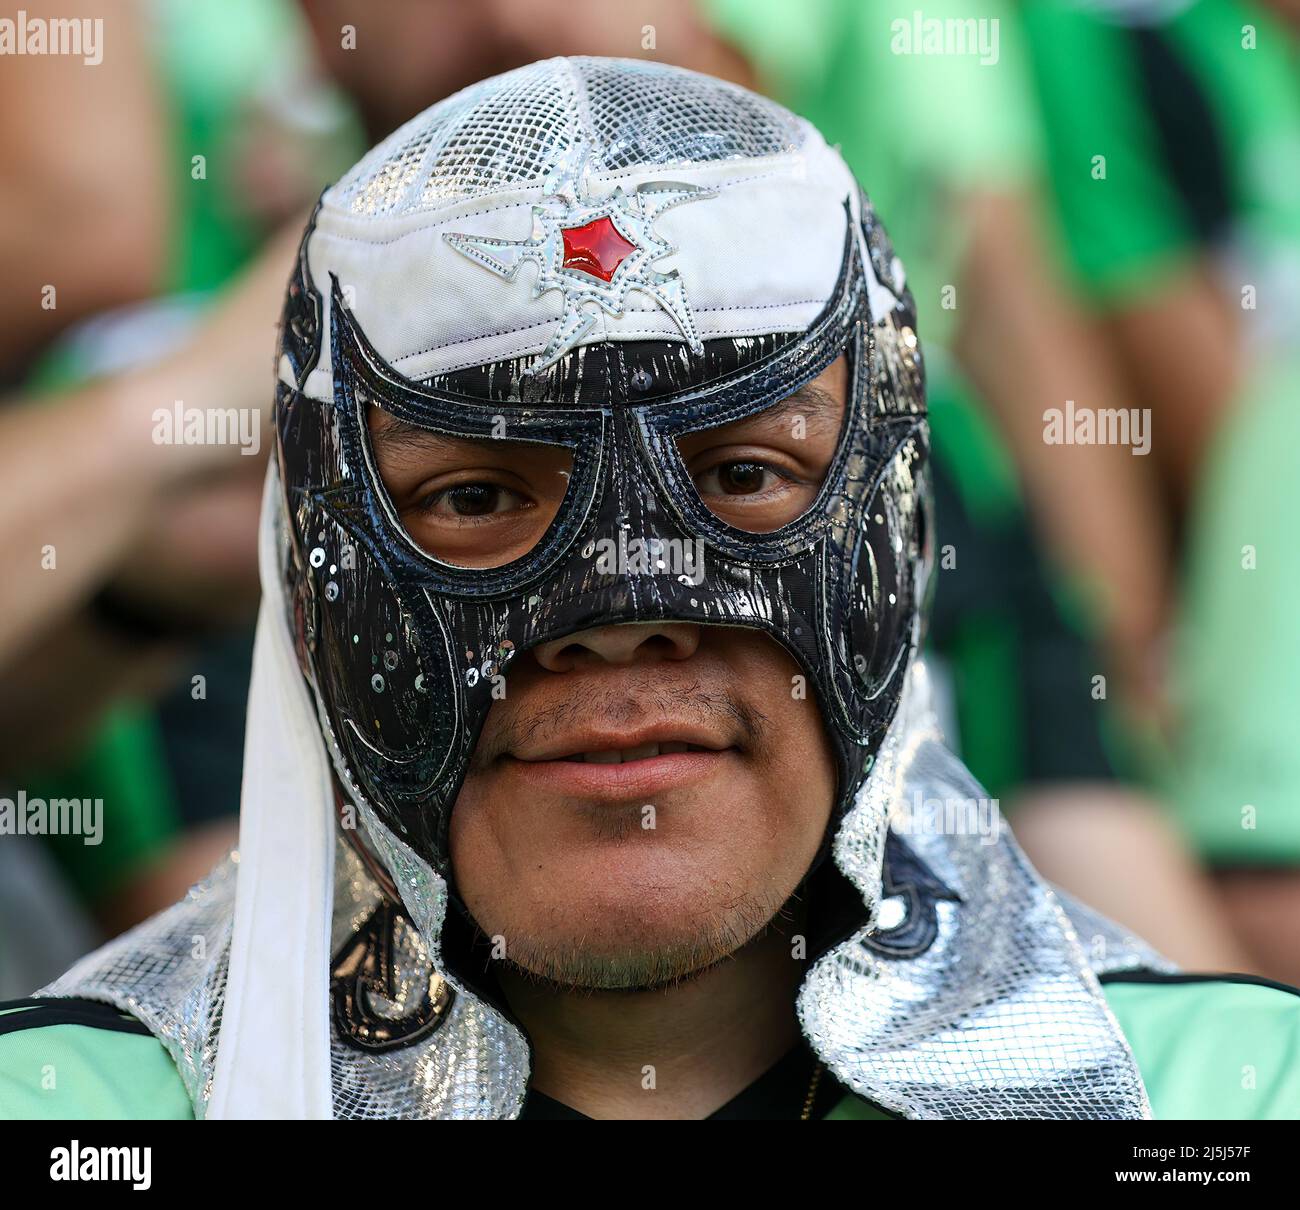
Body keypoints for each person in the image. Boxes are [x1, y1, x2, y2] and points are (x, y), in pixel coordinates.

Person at [1, 58, 1296, 1121]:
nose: (619, 609)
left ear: (899, 542)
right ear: (310, 568)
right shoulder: (84, 1110)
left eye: (740, 473)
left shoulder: (1217, 1099)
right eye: (476, 496)